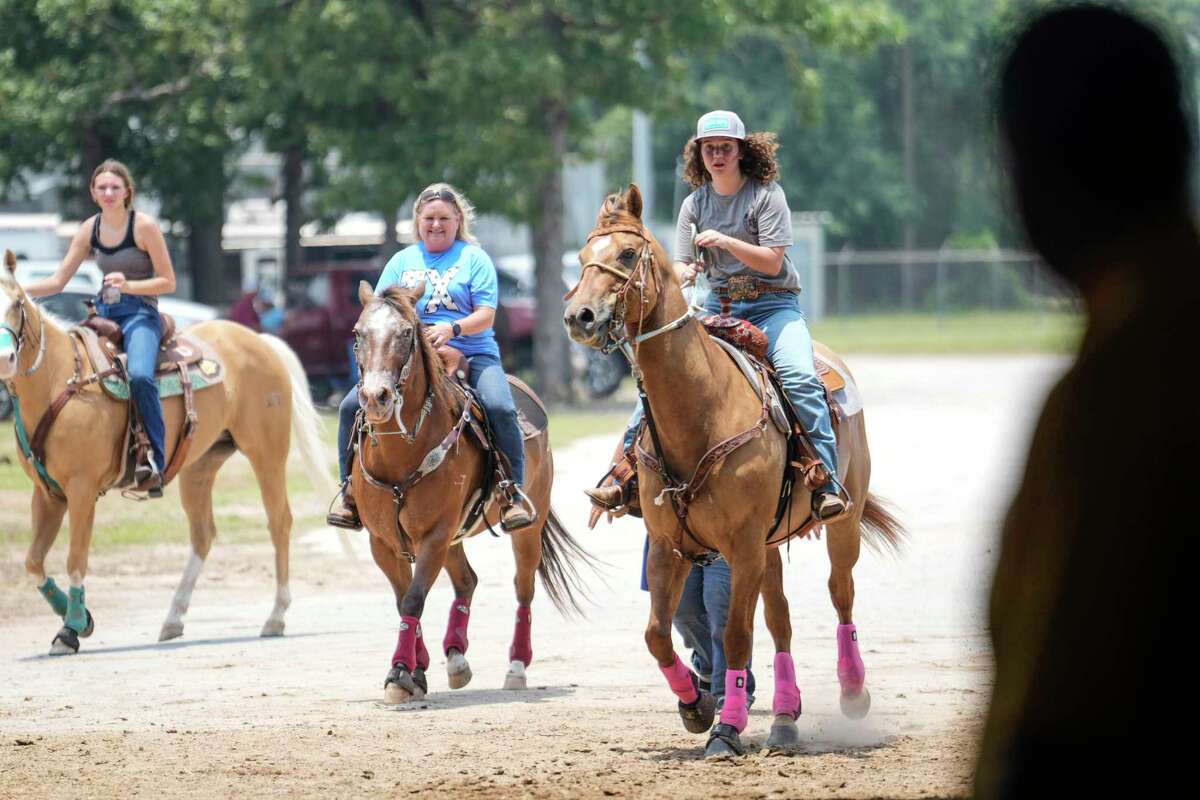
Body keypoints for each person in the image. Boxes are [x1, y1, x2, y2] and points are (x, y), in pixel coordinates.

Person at [975, 6, 1194, 797]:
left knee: (801, 382)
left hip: (771, 314)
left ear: (1038, 167)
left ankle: (822, 472)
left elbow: (1059, 736)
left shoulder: (1119, 387)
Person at [586, 110, 846, 523]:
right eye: (709, 149)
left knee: (798, 376)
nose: (718, 156)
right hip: (718, 306)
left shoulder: (766, 196)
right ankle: (624, 473)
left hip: (773, 307)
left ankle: (826, 480)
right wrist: (686, 271)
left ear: (742, 152)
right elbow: (685, 264)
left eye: (726, 148)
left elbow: (773, 262)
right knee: (660, 380)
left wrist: (726, 241)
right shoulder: (694, 205)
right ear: (699, 154)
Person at [327, 183, 535, 532]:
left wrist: (452, 330)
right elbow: (379, 311)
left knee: (499, 406)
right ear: (417, 221)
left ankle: (510, 492)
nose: (436, 225)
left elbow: (486, 314)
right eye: (429, 218)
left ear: (458, 221)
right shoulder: (401, 261)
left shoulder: (474, 259)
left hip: (473, 351)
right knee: (351, 406)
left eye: (444, 218)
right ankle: (349, 493)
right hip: (408, 357)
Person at [22, 159, 177, 493]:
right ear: (93, 192)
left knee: (139, 375)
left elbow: (168, 281)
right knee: (71, 370)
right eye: (102, 187)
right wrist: (13, 289)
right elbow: (59, 280)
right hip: (103, 315)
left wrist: (129, 285)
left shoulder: (144, 226)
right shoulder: (89, 228)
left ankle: (153, 461)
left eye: (115, 188)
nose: (108, 193)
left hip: (140, 314)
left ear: (127, 193)